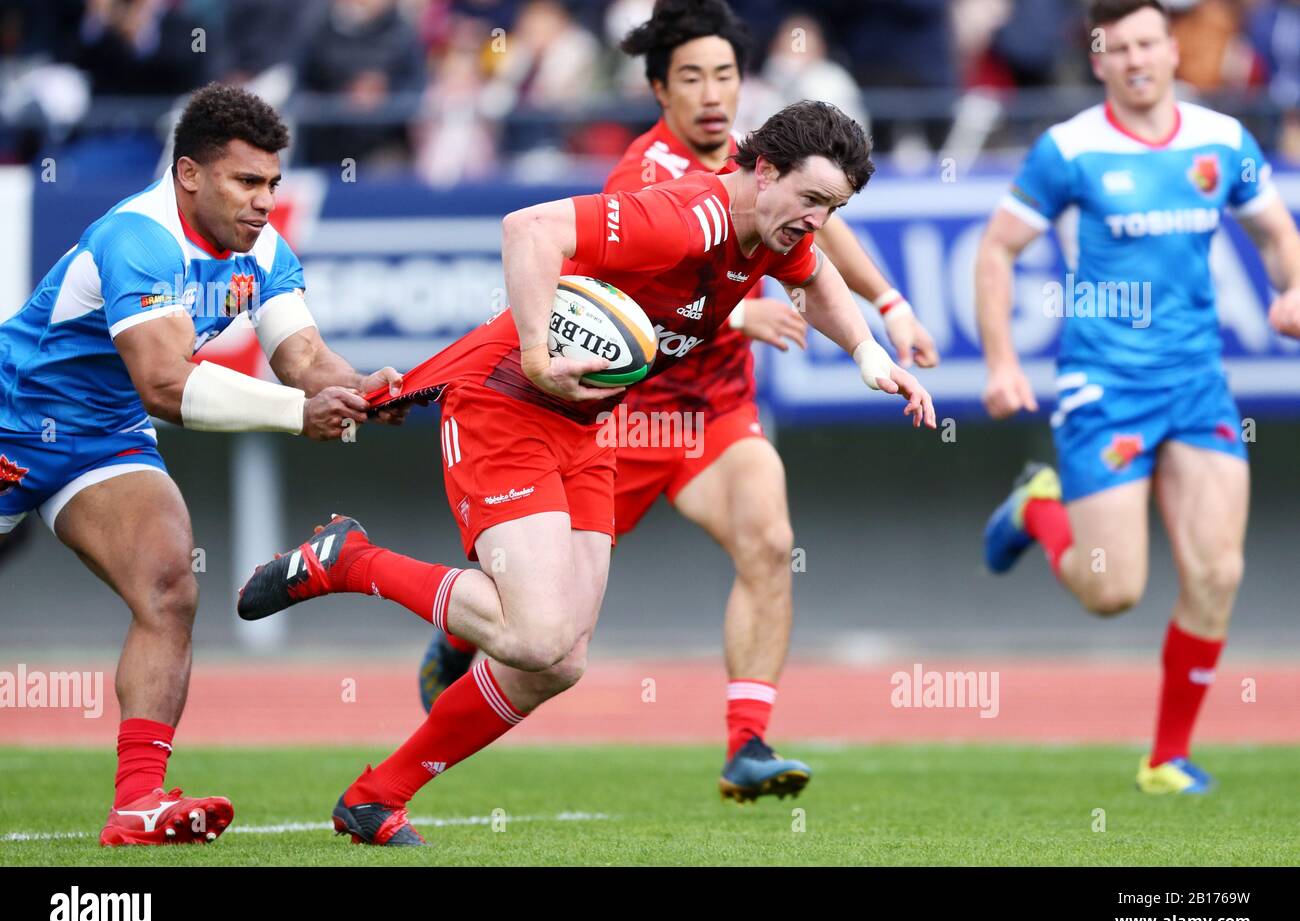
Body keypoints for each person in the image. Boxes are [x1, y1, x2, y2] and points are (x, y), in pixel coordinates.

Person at [237, 99, 937, 845]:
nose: (818, 220)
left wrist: (869, 355)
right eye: (812, 198)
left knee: (559, 661)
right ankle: (348, 561)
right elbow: (529, 229)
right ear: (764, 170)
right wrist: (539, 353)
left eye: (834, 208)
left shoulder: (774, 229)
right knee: (536, 636)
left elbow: (815, 276)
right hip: (506, 404)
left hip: (588, 425)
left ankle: (377, 797)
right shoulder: (688, 215)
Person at [417, 0, 939, 804]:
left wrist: (889, 312)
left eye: (725, 74)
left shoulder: (771, 169)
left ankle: (747, 744)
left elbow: (818, 239)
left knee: (770, 539)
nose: (712, 93)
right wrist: (739, 312)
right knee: (545, 617)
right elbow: (607, 288)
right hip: (627, 413)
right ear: (660, 90)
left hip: (717, 409)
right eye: (691, 77)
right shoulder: (647, 179)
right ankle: (461, 630)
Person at [0, 83, 405, 845]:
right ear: (189, 174)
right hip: (12, 423)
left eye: (273, 183)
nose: (264, 201)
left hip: (104, 439)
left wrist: (361, 389)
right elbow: (165, 383)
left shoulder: (265, 248)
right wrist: (299, 414)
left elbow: (304, 358)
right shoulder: (137, 236)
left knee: (168, 585)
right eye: (246, 181)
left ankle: (137, 804)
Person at [977, 0, 1300, 794]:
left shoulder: (1222, 140)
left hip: (1196, 383)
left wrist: (1292, 289)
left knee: (1218, 572)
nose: (1136, 60)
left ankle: (1165, 760)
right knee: (1111, 591)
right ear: (1099, 61)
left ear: (1172, 49)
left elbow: (1275, 232)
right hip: (1105, 387)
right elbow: (996, 249)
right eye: (1118, 48)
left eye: (1148, 43)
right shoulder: (1070, 149)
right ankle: (1037, 508)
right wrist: (1002, 362)